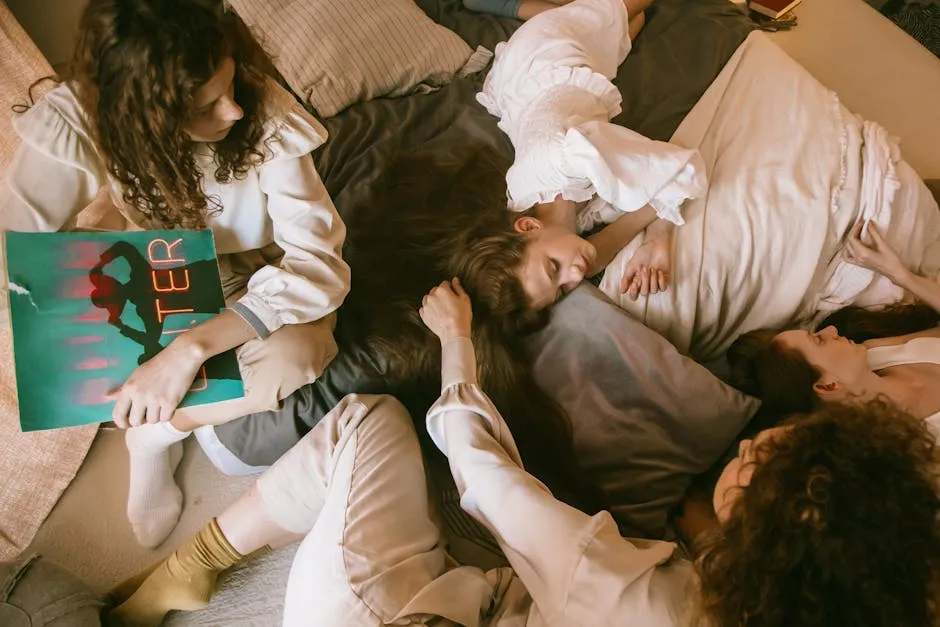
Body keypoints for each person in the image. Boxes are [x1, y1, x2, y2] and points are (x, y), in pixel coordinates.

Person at [107, 279, 940, 627]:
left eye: (771, 456)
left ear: (791, 517)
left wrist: (457, 340)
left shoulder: (634, 598)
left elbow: (485, 475)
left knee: (370, 420)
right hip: (511, 600)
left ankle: (198, 559)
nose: (759, 441)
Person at [0, 0, 350, 548]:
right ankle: (148, 402)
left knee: (300, 354)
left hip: (251, 268)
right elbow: (13, 246)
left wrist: (185, 352)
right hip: (147, 257)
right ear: (140, 118)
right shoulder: (83, 118)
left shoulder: (265, 117)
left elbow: (320, 268)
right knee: (49, 326)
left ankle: (153, 439)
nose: (233, 111)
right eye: (206, 104)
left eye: (230, 84)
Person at [476, 0, 708, 303]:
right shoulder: (553, 221)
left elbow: (681, 167)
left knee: (633, 6)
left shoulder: (568, 158)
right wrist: (645, 243)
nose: (574, 276)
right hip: (526, 88)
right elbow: (646, 200)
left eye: (553, 268)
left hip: (546, 51)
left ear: (529, 226)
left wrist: (654, 234)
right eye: (562, 289)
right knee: (633, 23)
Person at [728, 221, 940, 431]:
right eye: (818, 340)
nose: (831, 330)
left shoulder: (879, 350)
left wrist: (899, 274)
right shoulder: (906, 442)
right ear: (827, 385)